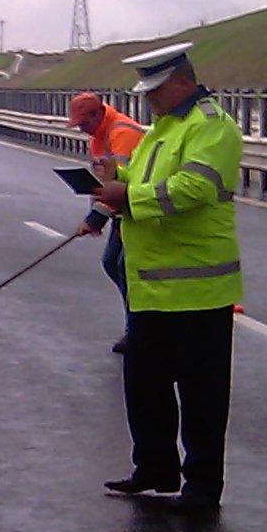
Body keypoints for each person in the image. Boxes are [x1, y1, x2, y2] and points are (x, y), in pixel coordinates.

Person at [89, 42, 243, 516]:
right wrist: (117, 173)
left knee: (201, 396)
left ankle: (202, 487)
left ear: (183, 81)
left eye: (156, 91)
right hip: (152, 287)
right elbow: (148, 177)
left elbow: (194, 188)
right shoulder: (162, 129)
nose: (149, 99)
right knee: (145, 386)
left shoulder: (211, 126)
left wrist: (127, 196)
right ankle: (155, 468)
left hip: (197, 289)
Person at [68, 90, 149, 354]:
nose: (81, 129)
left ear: (97, 114)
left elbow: (119, 184)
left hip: (141, 207)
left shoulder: (121, 133)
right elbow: (101, 182)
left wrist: (95, 219)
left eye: (83, 123)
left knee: (124, 266)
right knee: (112, 262)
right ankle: (135, 326)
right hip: (122, 211)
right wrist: (95, 217)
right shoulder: (98, 136)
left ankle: (138, 330)